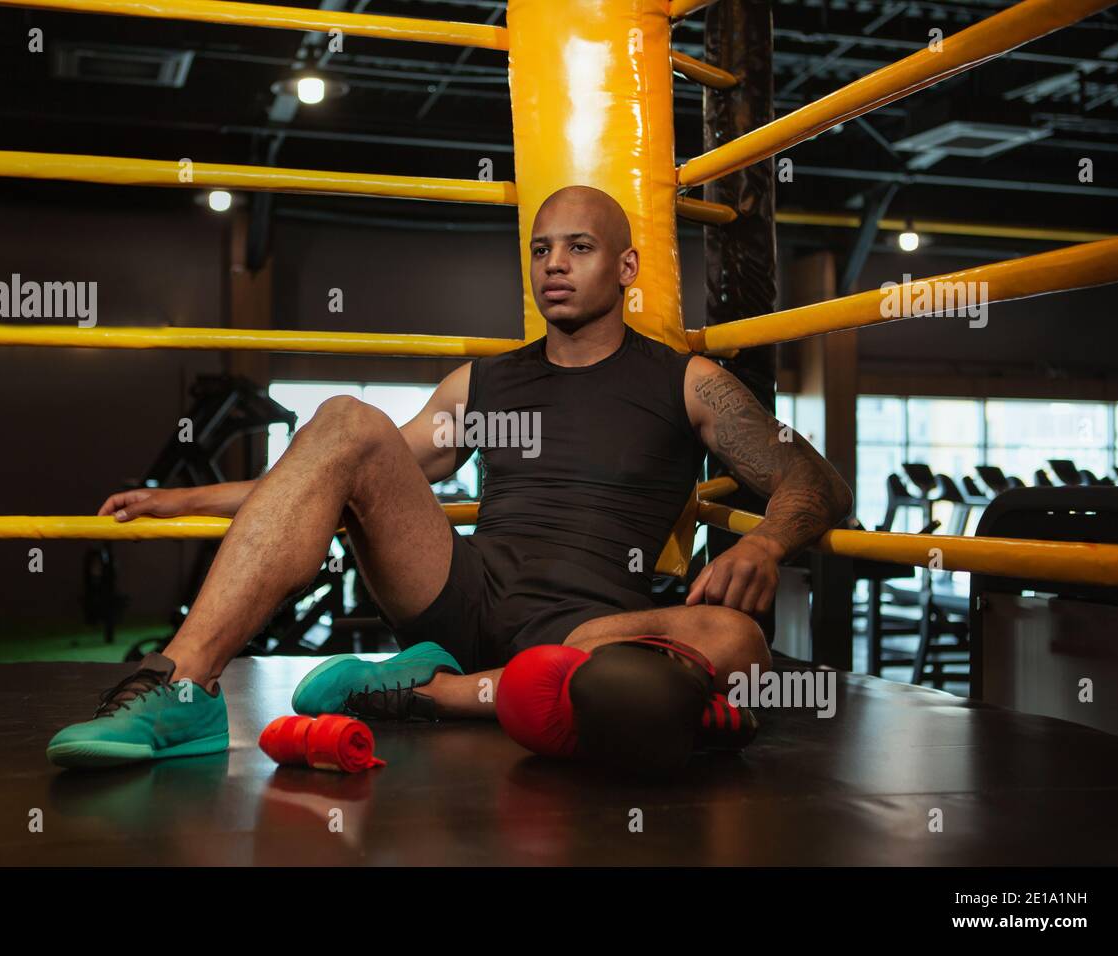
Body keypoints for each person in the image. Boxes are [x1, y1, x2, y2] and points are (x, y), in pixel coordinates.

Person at [46, 185, 852, 768]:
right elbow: (337, 470)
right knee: (344, 421)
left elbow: (811, 478)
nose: (554, 265)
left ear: (627, 266)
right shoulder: (485, 383)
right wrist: (185, 497)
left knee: (739, 640)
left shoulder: (687, 381)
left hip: (590, 634)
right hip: (463, 600)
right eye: (541, 249)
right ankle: (181, 690)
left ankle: (426, 694)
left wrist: (768, 546)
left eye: (579, 247)